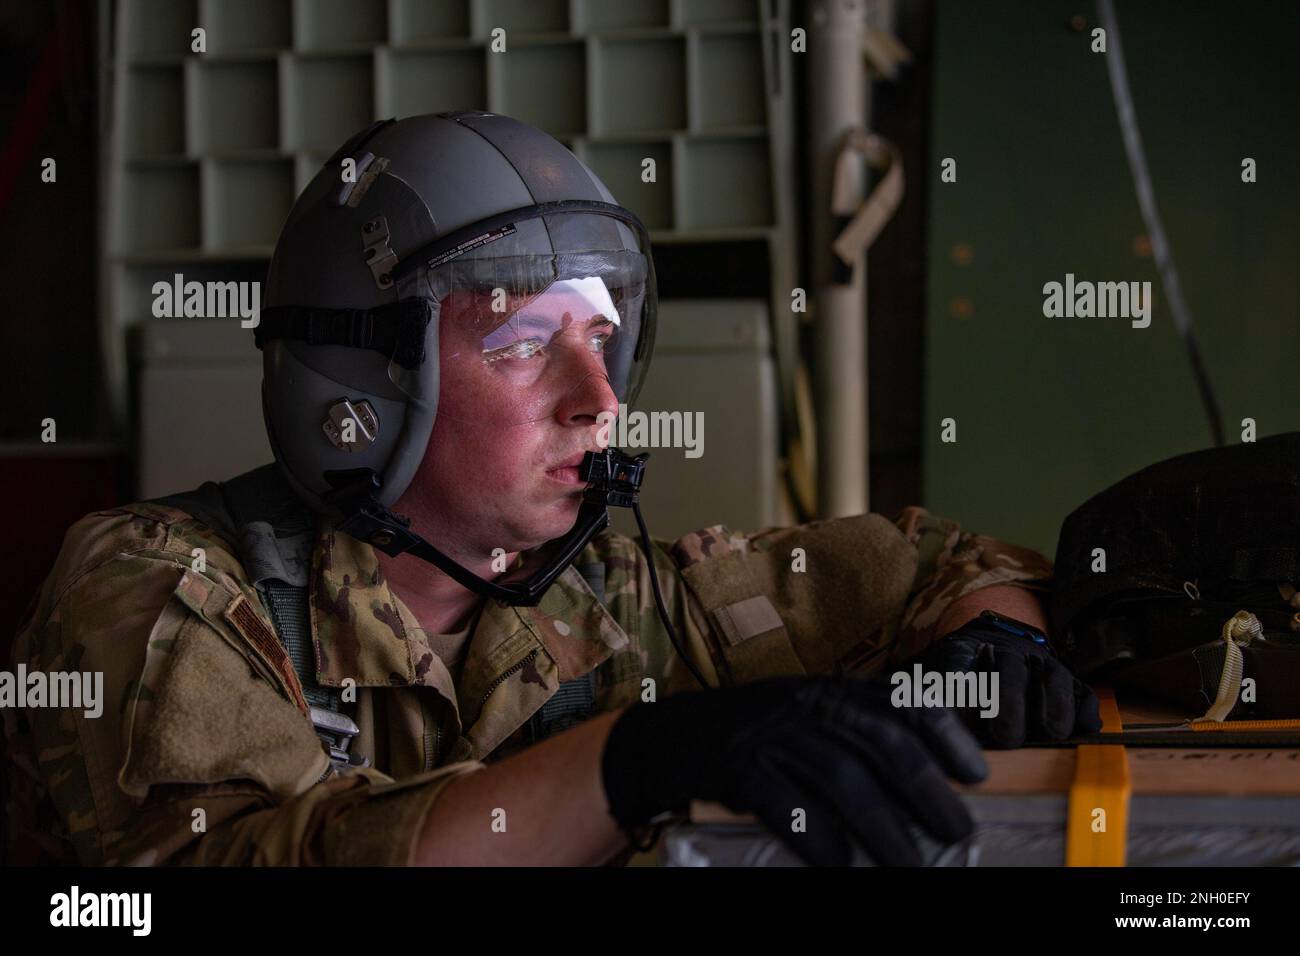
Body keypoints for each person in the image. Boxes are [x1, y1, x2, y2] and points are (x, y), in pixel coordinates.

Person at [3, 111, 1097, 868]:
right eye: (526, 343)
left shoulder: (612, 594)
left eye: (603, 341)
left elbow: (952, 563)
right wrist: (639, 758)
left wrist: (997, 642)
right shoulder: (153, 582)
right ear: (362, 388)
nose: (598, 399)